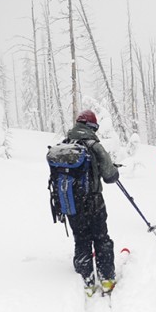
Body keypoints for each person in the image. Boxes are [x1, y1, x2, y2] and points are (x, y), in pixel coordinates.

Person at [66, 110, 119, 296]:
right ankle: (107, 280)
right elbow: (110, 176)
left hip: (71, 204)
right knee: (101, 238)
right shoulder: (94, 145)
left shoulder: (65, 145)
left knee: (81, 239)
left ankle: (87, 282)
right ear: (91, 127)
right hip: (94, 202)